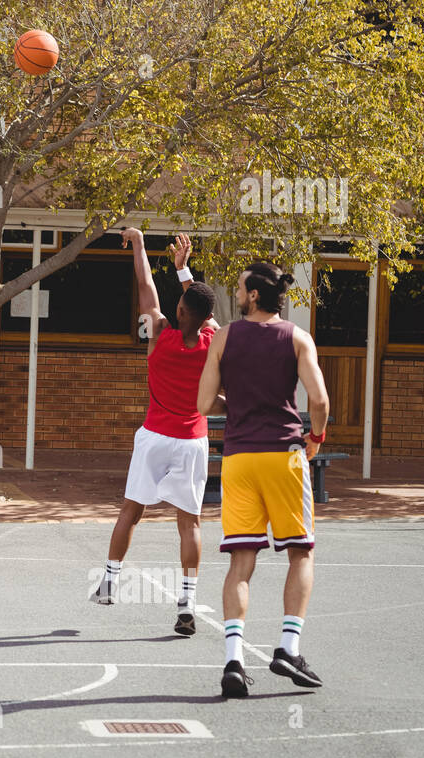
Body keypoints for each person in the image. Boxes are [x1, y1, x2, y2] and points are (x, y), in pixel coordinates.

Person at [197, 262, 330, 698]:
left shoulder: (225, 338)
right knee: (300, 553)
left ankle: (233, 660)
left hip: (238, 458)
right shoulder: (297, 338)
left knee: (240, 562)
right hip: (284, 456)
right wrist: (314, 439)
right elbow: (319, 399)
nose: (235, 294)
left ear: (253, 295)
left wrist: (237, 399)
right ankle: (288, 648)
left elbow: (203, 404)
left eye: (239, 288)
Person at [92, 231, 219, 636]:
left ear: (179, 310)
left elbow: (146, 285)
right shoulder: (213, 340)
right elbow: (203, 308)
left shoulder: (160, 334)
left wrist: (140, 243)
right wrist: (183, 271)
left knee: (132, 510)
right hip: (192, 440)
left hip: (155, 437)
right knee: (190, 523)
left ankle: (110, 581)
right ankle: (187, 603)